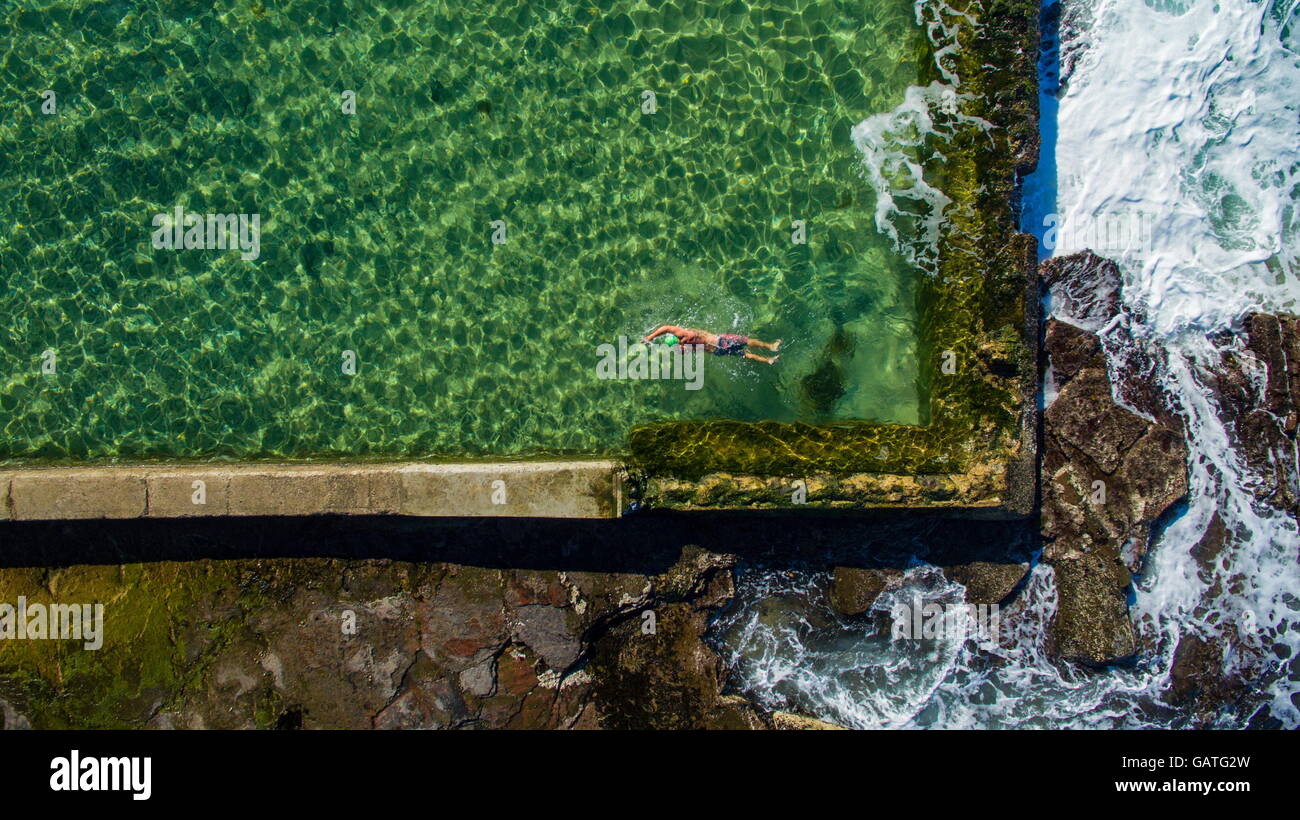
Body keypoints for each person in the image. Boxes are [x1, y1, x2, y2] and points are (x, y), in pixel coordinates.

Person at [642, 324, 781, 364]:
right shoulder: (685, 334)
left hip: (718, 351)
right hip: (721, 341)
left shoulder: (683, 348)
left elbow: (683, 353)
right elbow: (666, 328)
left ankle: (768, 360)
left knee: (745, 354)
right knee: (746, 341)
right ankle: (770, 346)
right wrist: (651, 336)